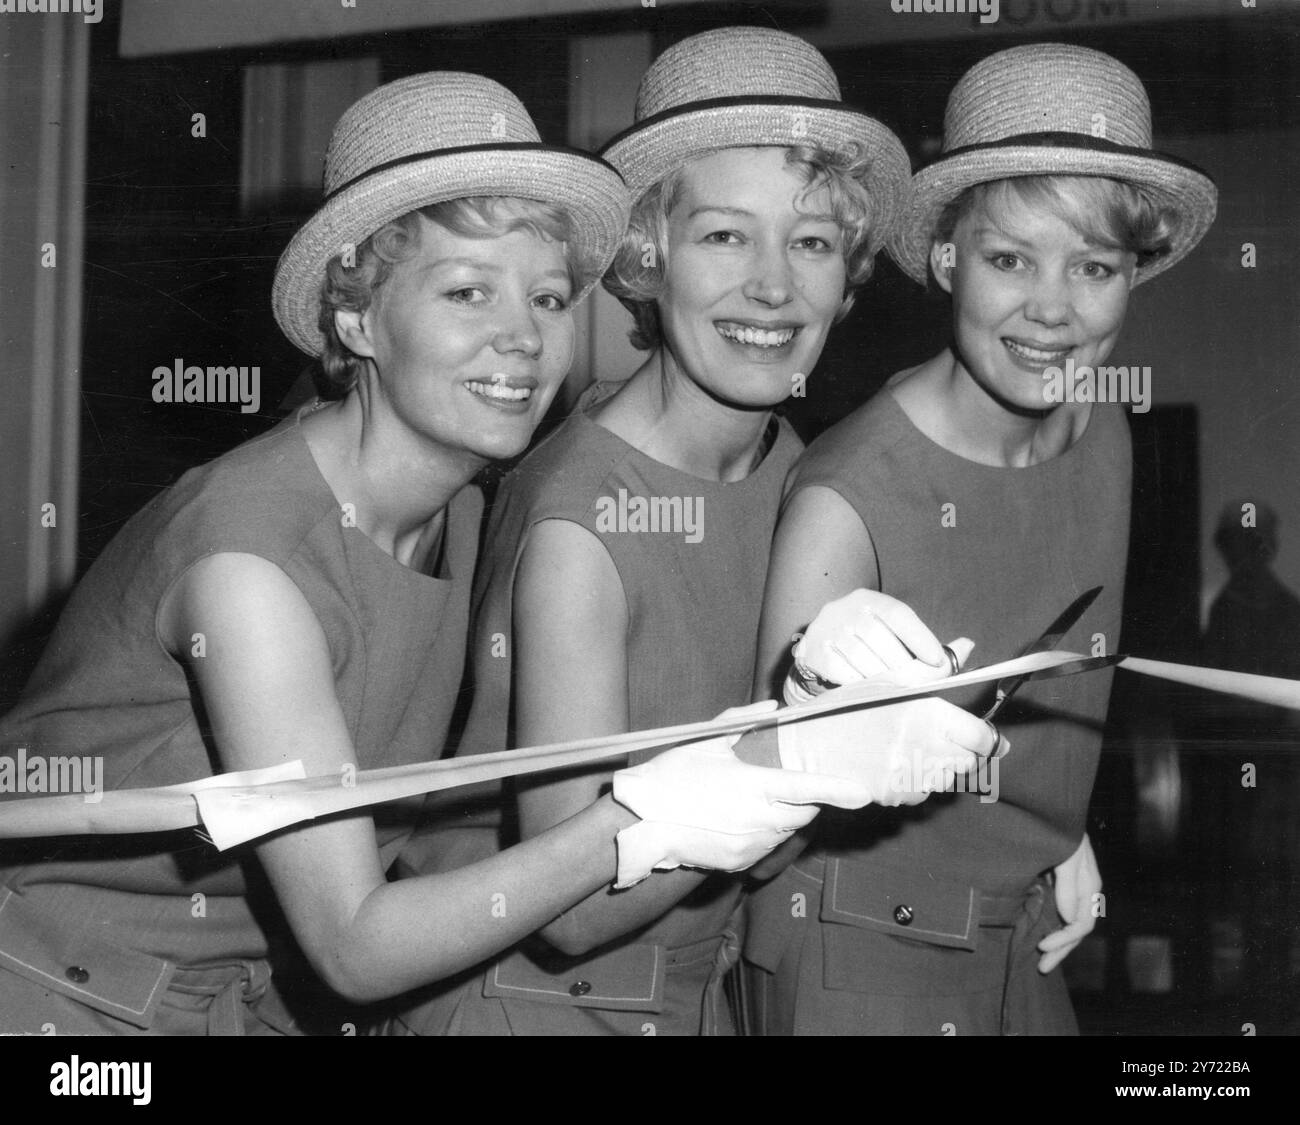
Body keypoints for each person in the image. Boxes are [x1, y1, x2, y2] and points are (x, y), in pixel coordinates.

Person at [0, 72, 876, 1036]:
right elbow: (355, 943)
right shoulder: (247, 570)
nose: (523, 338)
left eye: (546, 298)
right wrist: (663, 812)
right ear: (357, 318)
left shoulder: (459, 501)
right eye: (467, 292)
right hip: (52, 992)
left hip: (229, 1000)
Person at [393, 27, 998, 1037]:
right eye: (724, 235)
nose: (772, 285)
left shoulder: (793, 464)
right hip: (530, 1009)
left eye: (809, 242)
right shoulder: (582, 524)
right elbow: (577, 913)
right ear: (644, 252)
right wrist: (800, 764)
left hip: (694, 995)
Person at [744, 43, 1218, 1035]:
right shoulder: (846, 495)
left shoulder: (1105, 432)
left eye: (1093, 266)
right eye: (1009, 259)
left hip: (1024, 932)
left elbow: (1053, 674)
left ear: (1134, 274)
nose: (1052, 309)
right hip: (850, 946)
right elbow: (759, 797)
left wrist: (1050, 829)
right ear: (949, 260)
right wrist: (810, 717)